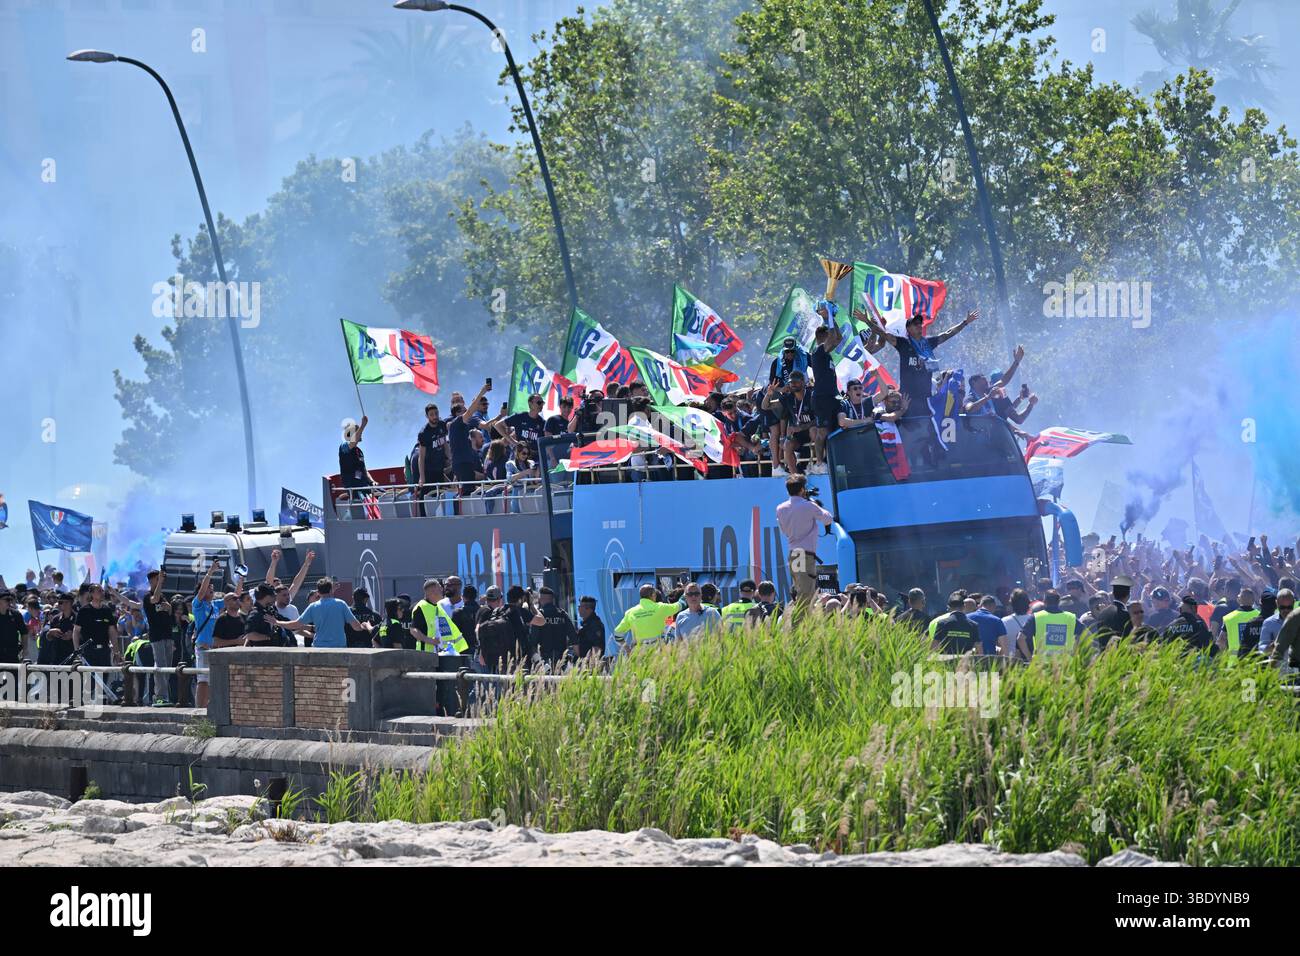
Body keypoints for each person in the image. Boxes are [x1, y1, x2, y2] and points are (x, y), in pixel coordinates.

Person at [857, 299, 979, 408]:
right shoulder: (903, 343)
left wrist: (965, 322)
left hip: (926, 398)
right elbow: (883, 334)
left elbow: (948, 334)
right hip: (907, 399)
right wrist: (867, 321)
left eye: (920, 324)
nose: (919, 326)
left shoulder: (928, 343)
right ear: (908, 329)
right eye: (915, 324)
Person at [775, 474, 832, 618]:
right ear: (802, 489)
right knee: (805, 596)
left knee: (801, 593)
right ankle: (796, 629)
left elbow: (784, 530)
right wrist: (815, 504)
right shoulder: (808, 506)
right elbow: (827, 519)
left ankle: (797, 626)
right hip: (804, 555)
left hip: (794, 554)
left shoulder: (781, 508)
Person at [281, 578, 373, 649]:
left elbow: (296, 624)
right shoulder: (341, 604)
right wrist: (364, 626)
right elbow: (356, 627)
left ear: (318, 592)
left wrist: (277, 622)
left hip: (319, 648)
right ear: (330, 590)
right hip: (339, 648)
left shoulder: (313, 606)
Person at [449, 381, 493, 513]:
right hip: (462, 463)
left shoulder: (462, 426)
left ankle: (463, 513)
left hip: (463, 463)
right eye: (464, 412)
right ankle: (463, 516)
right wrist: (482, 391)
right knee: (467, 492)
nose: (467, 413)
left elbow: (484, 424)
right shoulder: (457, 422)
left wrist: (501, 416)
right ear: (458, 413)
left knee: (467, 490)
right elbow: (473, 408)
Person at [765, 371, 817, 475]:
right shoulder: (788, 398)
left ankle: (815, 465)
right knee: (787, 444)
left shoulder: (812, 396)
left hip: (811, 429)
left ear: (803, 382)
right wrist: (768, 395)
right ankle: (795, 476)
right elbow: (765, 406)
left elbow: (819, 418)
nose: (793, 384)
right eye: (791, 382)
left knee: (814, 431)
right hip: (797, 433)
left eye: (796, 382)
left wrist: (802, 427)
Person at [612, 584, 687, 654]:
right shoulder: (660, 608)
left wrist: (628, 650)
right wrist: (686, 590)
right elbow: (680, 605)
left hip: (638, 655)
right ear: (653, 595)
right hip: (657, 654)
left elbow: (617, 634)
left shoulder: (630, 612)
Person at [808, 324, 842, 474]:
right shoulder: (818, 350)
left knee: (833, 431)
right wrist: (828, 318)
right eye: (829, 335)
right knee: (822, 432)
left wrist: (832, 319)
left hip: (832, 396)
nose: (832, 339)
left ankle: (831, 461)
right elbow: (835, 339)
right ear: (822, 337)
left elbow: (838, 339)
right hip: (821, 398)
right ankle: (819, 464)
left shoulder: (827, 354)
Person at [143, 570, 176, 705]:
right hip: (157, 636)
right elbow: (154, 600)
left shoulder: (163, 596)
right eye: (157, 579)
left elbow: (170, 613)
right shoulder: (148, 596)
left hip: (168, 635)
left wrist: (169, 608)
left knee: (167, 666)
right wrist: (160, 584)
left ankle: (164, 695)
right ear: (151, 581)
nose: (160, 581)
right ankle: (160, 696)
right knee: (160, 665)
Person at [1019, 589, 1082, 659]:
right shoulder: (1071, 618)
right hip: (1066, 666)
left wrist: (1029, 658)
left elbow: (1020, 638)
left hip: (1041, 666)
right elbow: (1087, 635)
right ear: (1058, 601)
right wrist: (1075, 651)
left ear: (1044, 602)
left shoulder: (1035, 618)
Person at [409, 579, 467, 655]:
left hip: (441, 653)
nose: (443, 591)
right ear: (432, 592)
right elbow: (413, 630)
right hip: (425, 654)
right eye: (440, 589)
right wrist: (429, 640)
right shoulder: (421, 607)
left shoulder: (438, 606)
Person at [72, 584, 121, 667]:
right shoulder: (84, 611)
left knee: (104, 678)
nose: (102, 593)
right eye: (99, 591)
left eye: (102, 591)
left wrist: (116, 652)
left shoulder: (107, 610)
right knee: (91, 678)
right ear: (91, 594)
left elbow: (112, 632)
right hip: (89, 651)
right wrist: (77, 651)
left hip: (104, 651)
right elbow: (76, 631)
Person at [339, 414, 376, 520]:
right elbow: (352, 442)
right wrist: (363, 425)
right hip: (354, 489)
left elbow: (364, 469)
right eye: (357, 431)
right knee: (361, 513)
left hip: (365, 487)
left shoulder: (359, 452)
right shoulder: (344, 447)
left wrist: (372, 481)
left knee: (383, 493)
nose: (360, 433)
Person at [530, 586, 577, 668]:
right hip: (562, 659)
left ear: (541, 599)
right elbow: (574, 638)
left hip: (545, 660)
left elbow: (533, 641)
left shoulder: (540, 616)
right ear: (552, 599)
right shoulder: (562, 614)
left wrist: (538, 661)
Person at [416, 402, 449, 516]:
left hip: (439, 467)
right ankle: (423, 518)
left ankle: (440, 515)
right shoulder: (424, 433)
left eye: (436, 413)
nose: (435, 416)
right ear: (427, 416)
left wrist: (451, 459)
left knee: (440, 493)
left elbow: (445, 444)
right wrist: (422, 477)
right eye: (431, 414)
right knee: (425, 494)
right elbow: (421, 457)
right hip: (428, 469)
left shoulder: (442, 425)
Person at [497, 393, 548, 460]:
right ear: (530, 404)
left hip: (534, 458)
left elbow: (546, 444)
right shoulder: (520, 417)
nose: (541, 405)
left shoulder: (543, 423)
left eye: (542, 403)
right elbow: (498, 425)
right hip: (519, 456)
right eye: (539, 403)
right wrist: (513, 442)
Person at [1218, 587, 1260, 663]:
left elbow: (1221, 640)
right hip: (1256, 662)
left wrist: (1224, 659)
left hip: (1234, 663)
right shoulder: (1260, 616)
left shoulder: (1229, 618)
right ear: (1253, 600)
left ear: (1239, 600)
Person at [998, 588, 1034, 659]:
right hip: (1031, 660)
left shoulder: (1004, 621)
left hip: (1012, 662)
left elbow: (1001, 645)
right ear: (1028, 603)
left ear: (1011, 604)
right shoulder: (1033, 619)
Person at [1259, 588, 1293, 656]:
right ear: (1277, 603)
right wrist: (1270, 648)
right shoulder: (1268, 623)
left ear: (1294, 602)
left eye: (1289, 607)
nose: (1286, 610)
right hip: (1278, 666)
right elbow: (1262, 648)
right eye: (1282, 607)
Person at [574, 595, 606, 661]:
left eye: (580, 606)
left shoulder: (594, 625)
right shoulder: (586, 624)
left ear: (589, 609)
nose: (578, 608)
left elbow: (597, 649)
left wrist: (589, 665)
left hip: (590, 666)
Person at [0, 591, 23, 665]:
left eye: (10, 599)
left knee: (13, 675)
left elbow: (24, 632)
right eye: (7, 599)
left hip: (12, 654)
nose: (9, 602)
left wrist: (25, 649)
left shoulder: (16, 614)